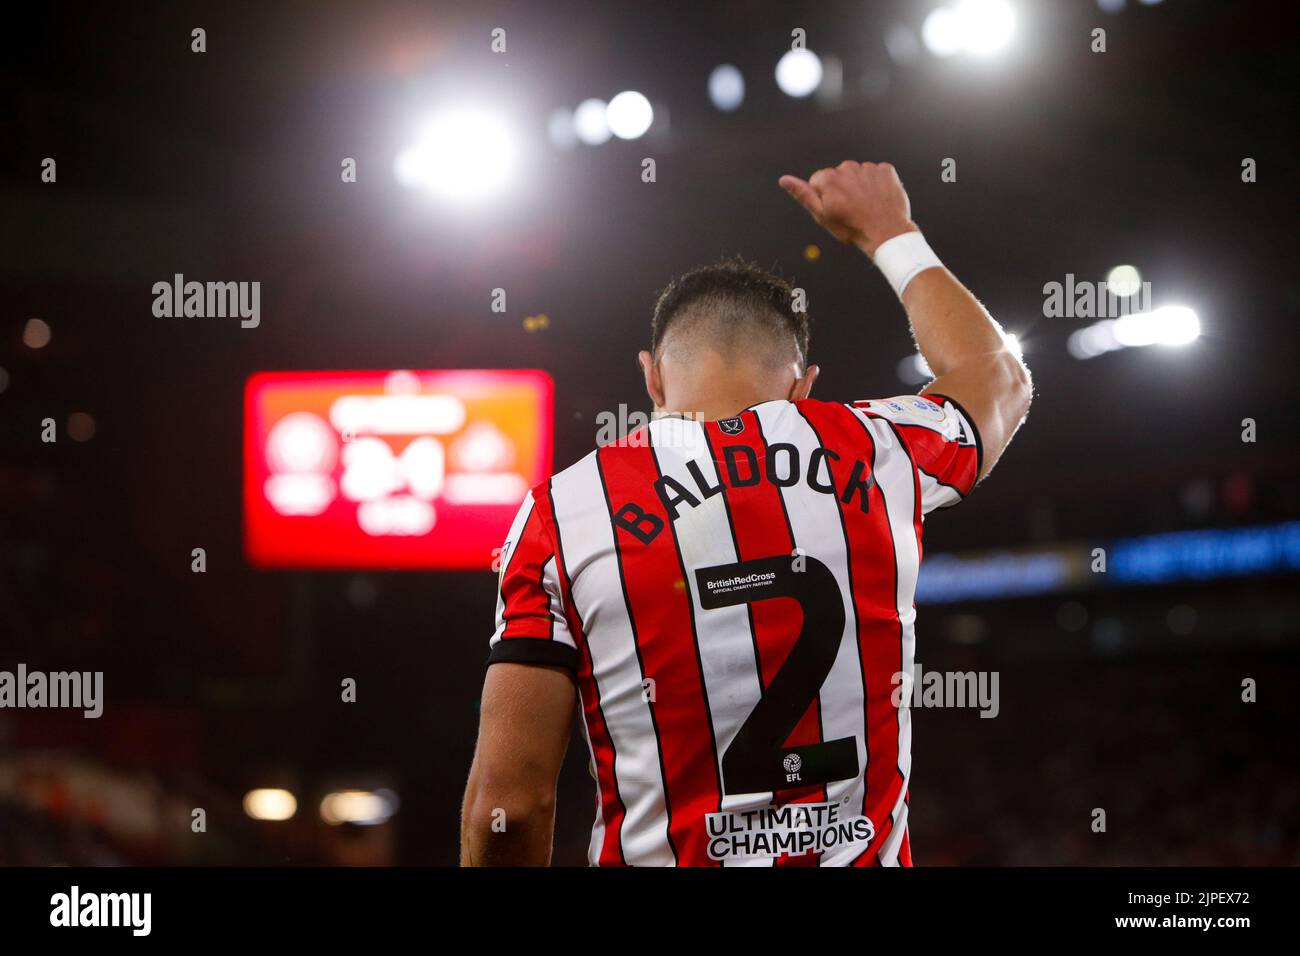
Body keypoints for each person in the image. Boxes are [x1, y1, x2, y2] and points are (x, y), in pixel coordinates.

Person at [461, 160, 1032, 866]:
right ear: (804, 386)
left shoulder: (561, 512)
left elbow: (509, 806)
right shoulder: (877, 449)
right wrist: (890, 229)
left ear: (652, 377)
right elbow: (999, 377)